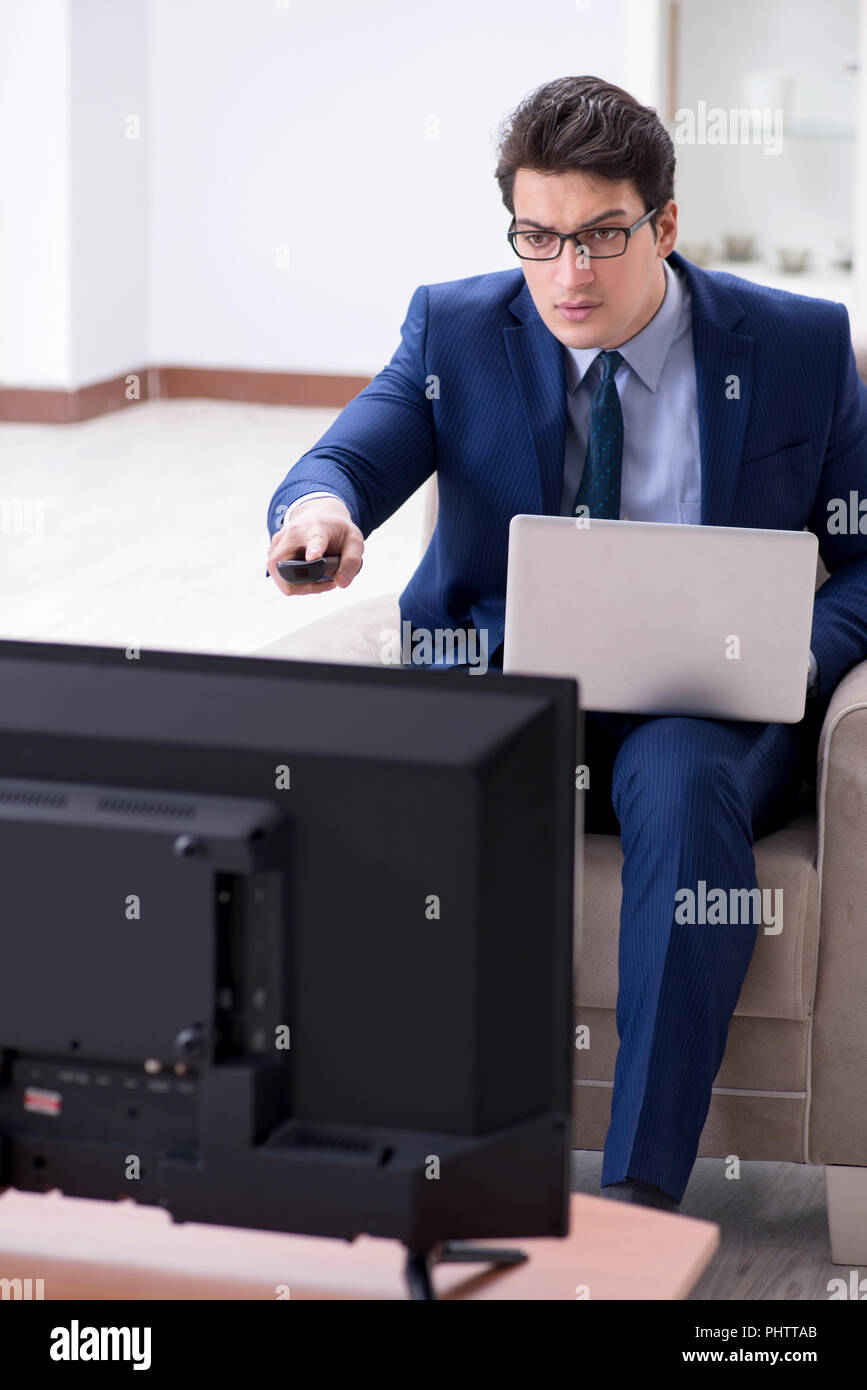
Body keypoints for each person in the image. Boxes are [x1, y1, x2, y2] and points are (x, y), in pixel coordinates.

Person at [265, 75, 867, 1210]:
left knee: (685, 783)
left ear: (665, 224)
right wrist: (319, 513)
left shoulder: (794, 345)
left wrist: (799, 646)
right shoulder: (457, 325)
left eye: (600, 236)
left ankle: (638, 1198)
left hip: (709, 702)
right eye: (539, 237)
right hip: (513, 689)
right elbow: (351, 455)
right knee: (353, 788)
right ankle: (374, 1163)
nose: (569, 274)